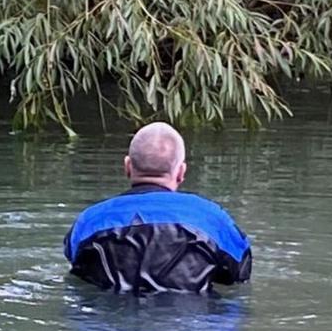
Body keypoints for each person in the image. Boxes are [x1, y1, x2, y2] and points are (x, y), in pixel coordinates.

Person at [63, 122, 252, 294]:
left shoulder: (90, 220)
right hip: (190, 319)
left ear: (127, 166)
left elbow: (76, 268)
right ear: (181, 172)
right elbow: (239, 275)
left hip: (109, 318)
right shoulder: (212, 219)